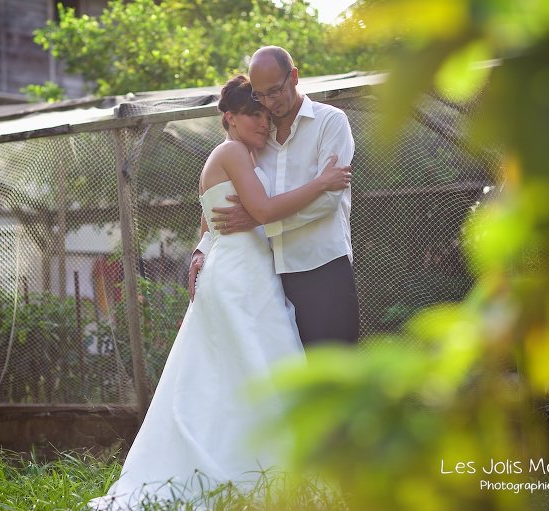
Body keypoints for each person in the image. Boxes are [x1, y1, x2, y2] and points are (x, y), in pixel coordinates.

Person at [87, 75, 351, 510]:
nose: (263, 123)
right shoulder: (230, 151)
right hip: (238, 276)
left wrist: (199, 248)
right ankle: (259, 469)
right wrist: (323, 182)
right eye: (253, 115)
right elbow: (262, 212)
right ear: (229, 117)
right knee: (256, 363)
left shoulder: (241, 154)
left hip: (245, 269)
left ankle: (265, 464)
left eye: (266, 115)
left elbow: (211, 220)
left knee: (242, 370)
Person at [190, 46, 360, 347]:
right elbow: (224, 192)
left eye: (275, 91)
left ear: (293, 76)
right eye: (259, 95)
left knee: (333, 374)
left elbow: (327, 201)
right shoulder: (256, 136)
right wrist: (203, 247)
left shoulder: (331, 122)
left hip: (322, 268)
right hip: (271, 277)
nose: (268, 103)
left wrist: (260, 220)